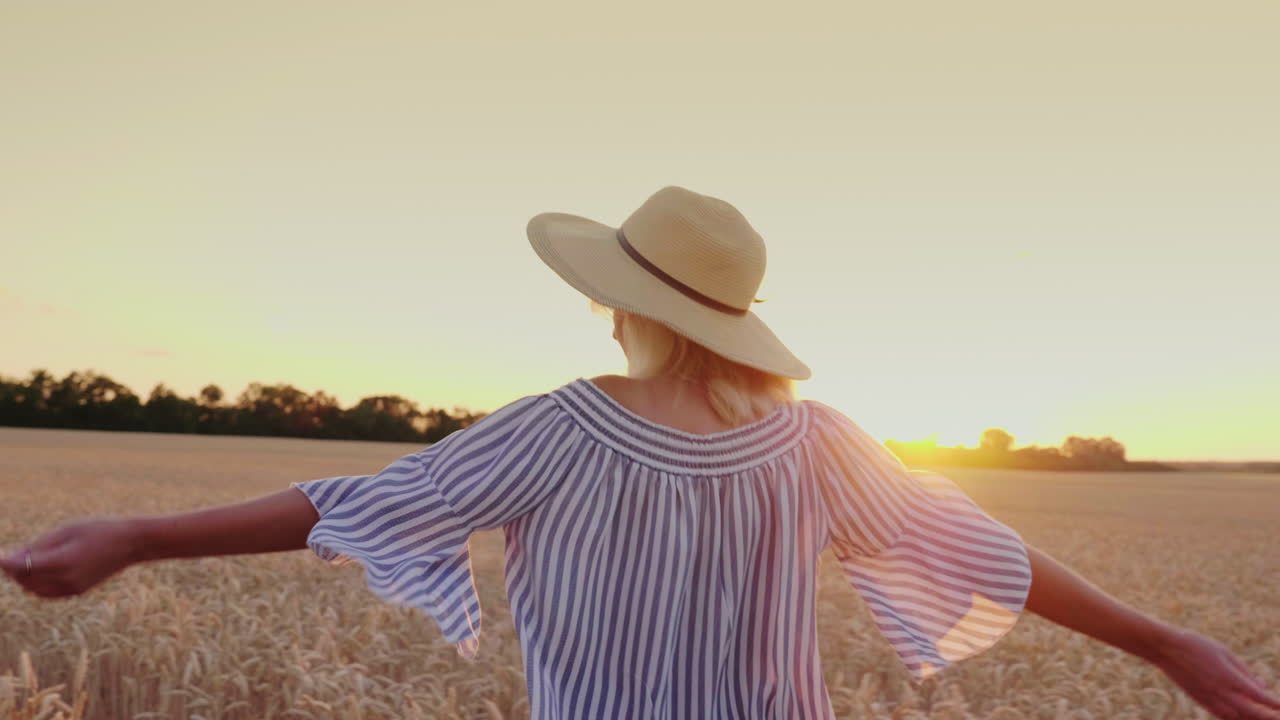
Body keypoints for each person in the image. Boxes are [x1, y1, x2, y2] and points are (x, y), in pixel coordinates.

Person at [2, 186, 1276, 719]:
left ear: (624, 305)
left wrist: (134, 536)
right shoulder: (822, 445)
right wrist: (1167, 643)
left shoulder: (555, 428)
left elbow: (357, 502)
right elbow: (988, 557)